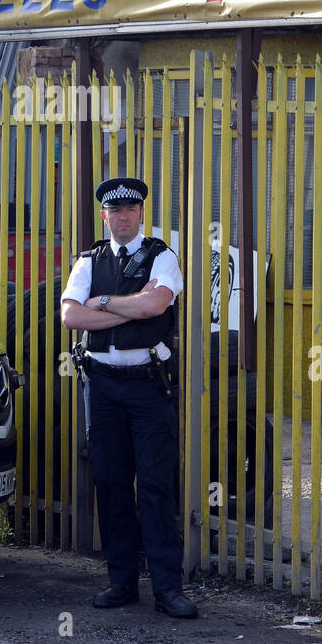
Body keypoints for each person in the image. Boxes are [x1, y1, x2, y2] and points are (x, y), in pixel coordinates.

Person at [61, 176, 197, 618]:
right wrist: (121, 303)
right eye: (114, 211)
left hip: (147, 386)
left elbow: (153, 307)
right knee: (112, 483)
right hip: (100, 386)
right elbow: (70, 316)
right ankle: (121, 582)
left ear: (141, 213)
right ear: (104, 215)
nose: (122, 217)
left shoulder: (162, 256)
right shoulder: (88, 259)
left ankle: (167, 589)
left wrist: (100, 303)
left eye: (130, 210)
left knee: (156, 487)